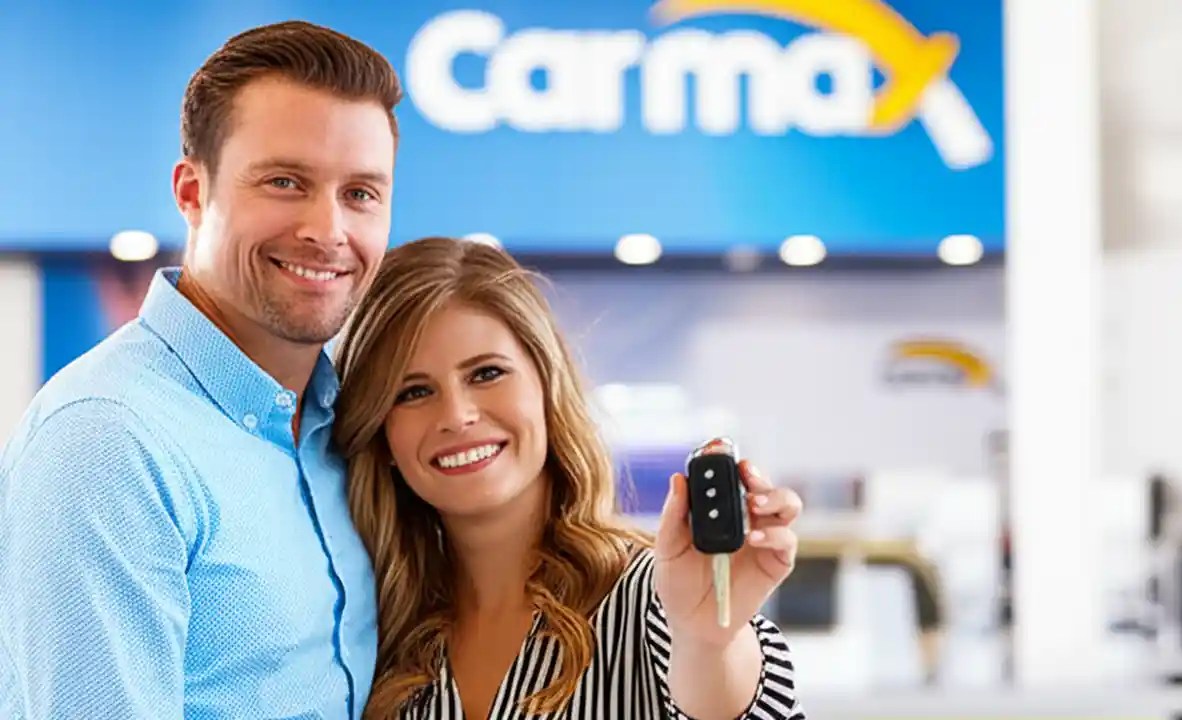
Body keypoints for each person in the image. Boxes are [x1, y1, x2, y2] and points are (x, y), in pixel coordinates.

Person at [0, 21, 400, 719]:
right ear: (191, 191)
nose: (328, 230)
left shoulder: (347, 428)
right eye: (285, 182)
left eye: (360, 193)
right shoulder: (110, 442)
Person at [333, 237, 807, 719]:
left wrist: (707, 644)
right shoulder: (372, 638)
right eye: (413, 392)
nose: (456, 416)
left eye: (487, 374)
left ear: (547, 385)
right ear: (380, 432)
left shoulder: (659, 594)